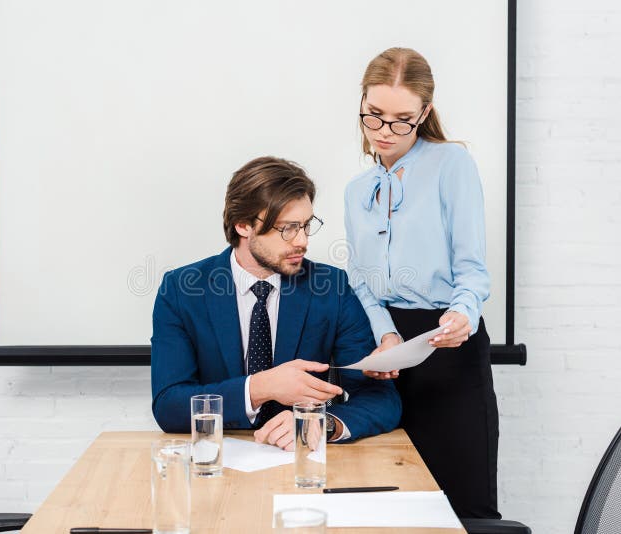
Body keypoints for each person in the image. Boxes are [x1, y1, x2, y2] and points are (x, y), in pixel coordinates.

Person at [344, 47, 500, 519]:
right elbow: (360, 279)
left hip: (449, 350)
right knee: (391, 510)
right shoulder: (357, 190)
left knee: (462, 510)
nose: (385, 133)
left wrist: (462, 313)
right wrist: (384, 332)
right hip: (389, 358)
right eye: (374, 116)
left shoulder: (453, 165)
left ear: (425, 113)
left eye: (402, 120)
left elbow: (472, 267)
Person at [151, 156, 401, 450]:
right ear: (243, 225)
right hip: (218, 460)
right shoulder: (181, 291)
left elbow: (381, 398)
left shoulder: (332, 287)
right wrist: (260, 388)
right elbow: (169, 405)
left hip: (302, 461)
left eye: (307, 225)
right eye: (288, 229)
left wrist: (323, 423)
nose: (302, 241)